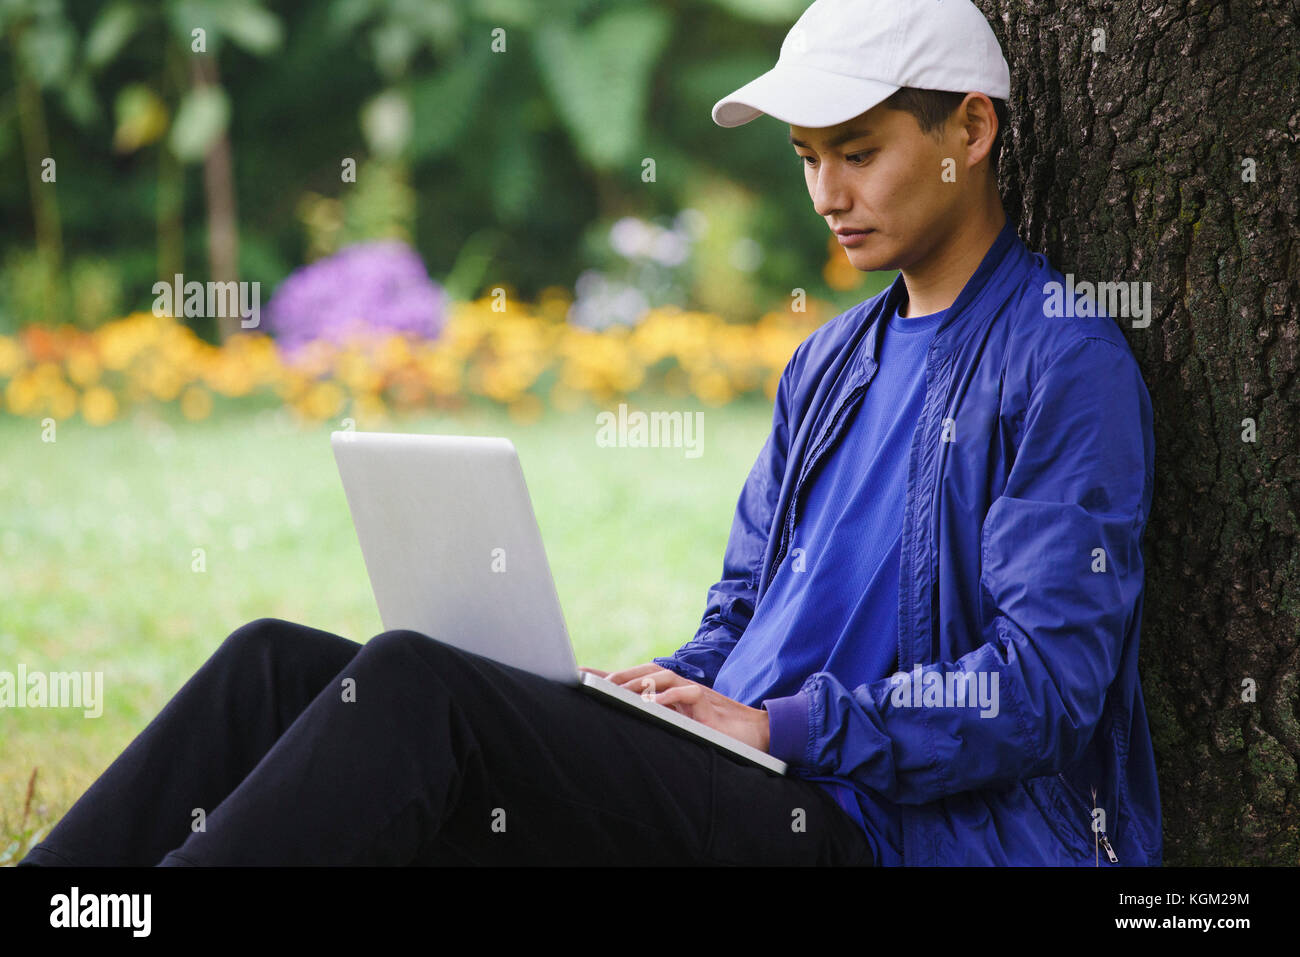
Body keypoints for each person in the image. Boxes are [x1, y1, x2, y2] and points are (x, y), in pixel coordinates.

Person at [20, 0, 1160, 867]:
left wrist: (782, 724)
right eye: (807, 157)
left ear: (968, 127)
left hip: (868, 827)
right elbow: (742, 614)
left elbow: (1041, 688)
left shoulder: (1063, 360)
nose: (825, 193)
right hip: (739, 772)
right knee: (270, 663)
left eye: (858, 152)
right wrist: (664, 690)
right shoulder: (830, 362)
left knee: (417, 685)